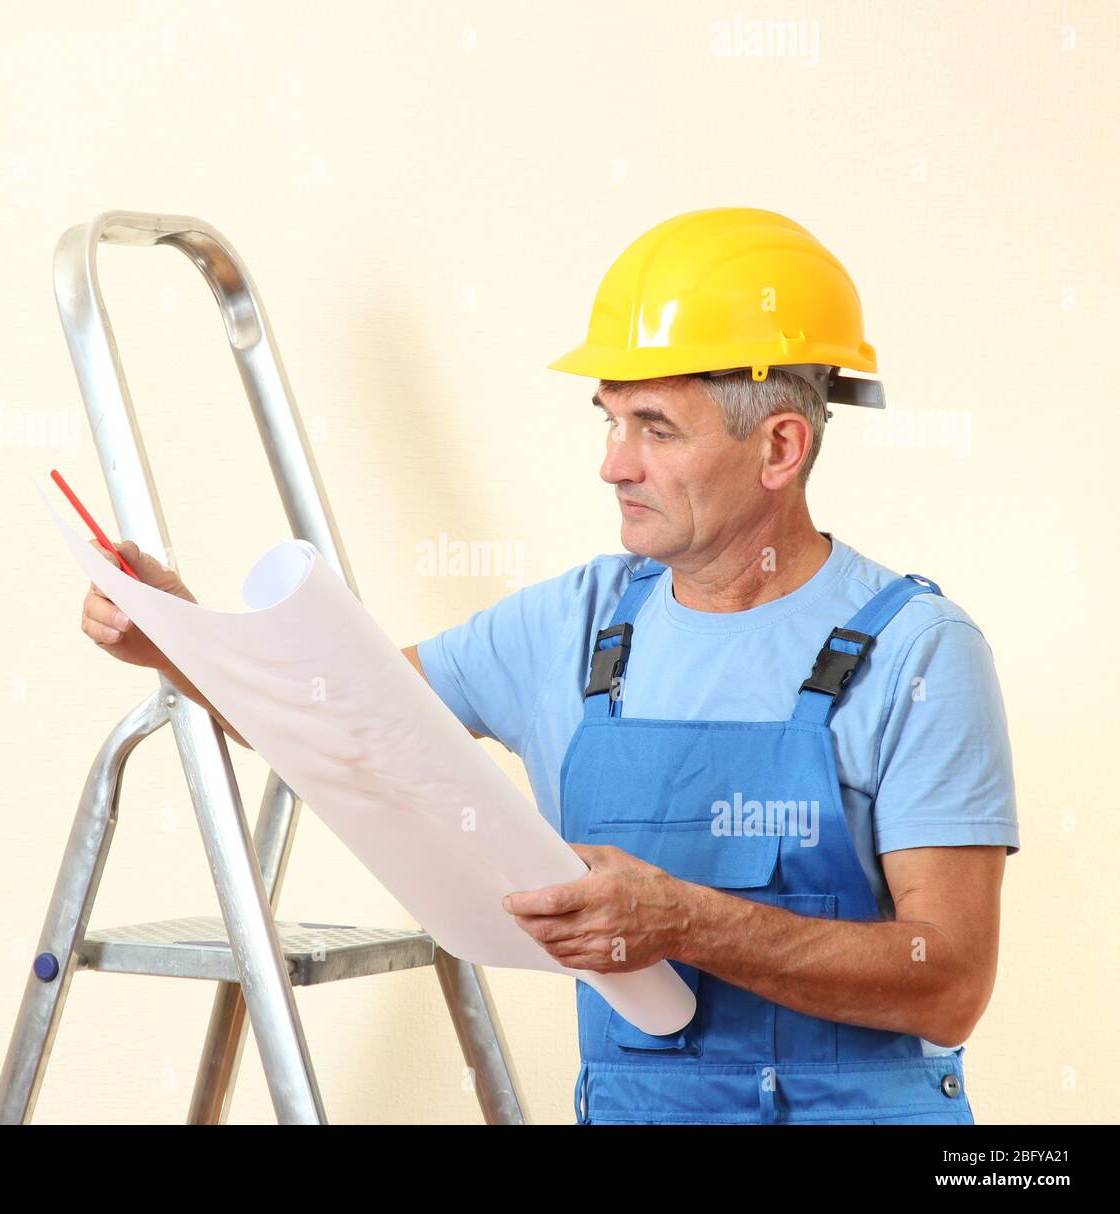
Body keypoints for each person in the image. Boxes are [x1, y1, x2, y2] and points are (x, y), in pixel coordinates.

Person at [80, 208, 1018, 1125]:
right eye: (607, 420)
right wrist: (174, 635)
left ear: (780, 446)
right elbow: (337, 715)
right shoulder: (575, 626)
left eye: (655, 427)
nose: (613, 465)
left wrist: (685, 922)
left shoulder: (918, 653)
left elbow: (950, 984)